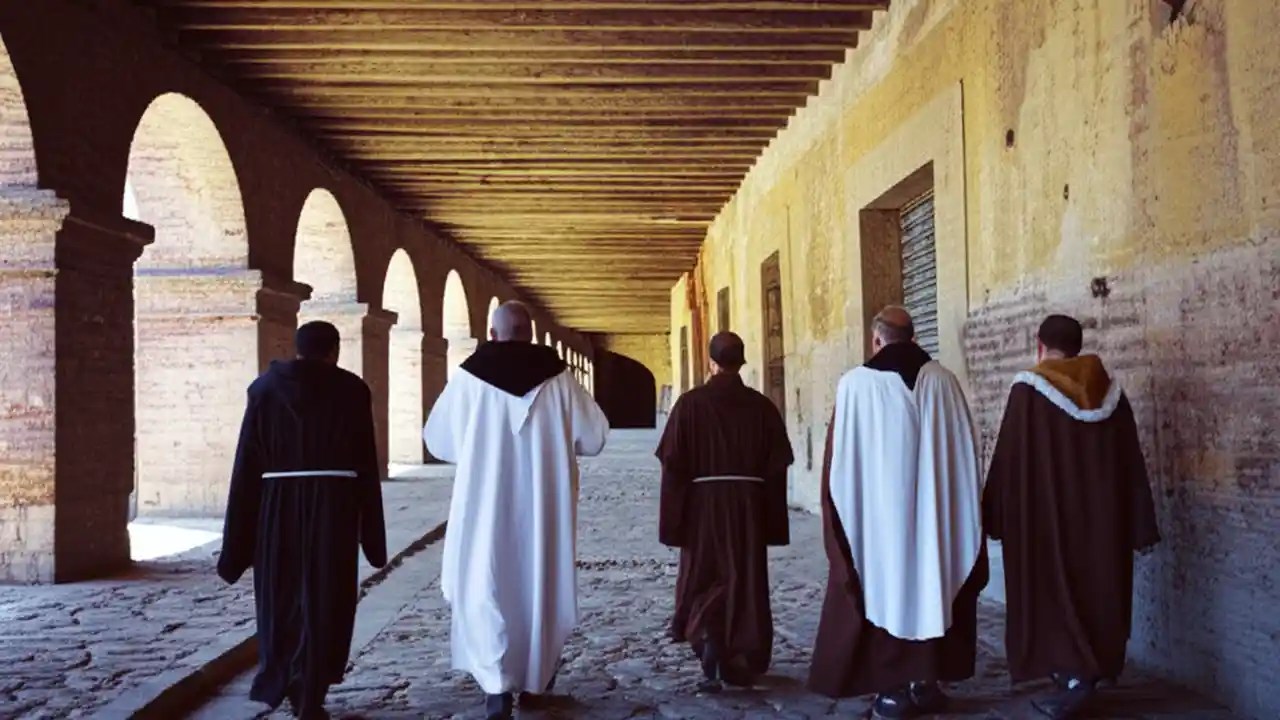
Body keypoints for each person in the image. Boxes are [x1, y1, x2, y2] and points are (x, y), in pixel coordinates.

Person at [424, 301, 609, 720]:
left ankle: (496, 686)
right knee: (537, 582)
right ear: (529, 333)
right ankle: (534, 680)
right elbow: (595, 438)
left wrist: (478, 447)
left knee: (485, 581)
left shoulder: (470, 377)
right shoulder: (560, 377)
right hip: (543, 505)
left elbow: (438, 441)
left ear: (493, 334)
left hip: (485, 502)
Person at [809, 306, 988, 720]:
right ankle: (925, 682)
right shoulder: (944, 381)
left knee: (883, 585)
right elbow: (964, 455)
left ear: (877, 339)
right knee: (930, 584)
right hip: (934, 516)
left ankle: (891, 689)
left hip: (876, 521)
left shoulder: (855, 385)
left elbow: (838, 462)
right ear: (914, 336)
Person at [983, 314, 1160, 720]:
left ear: (1039, 345)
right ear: (1077, 346)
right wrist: (1136, 521)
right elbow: (1131, 464)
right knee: (1098, 590)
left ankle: (1075, 677)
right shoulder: (1112, 395)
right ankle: (1088, 673)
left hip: (1049, 526)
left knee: (1056, 594)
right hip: (1104, 526)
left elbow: (1009, 459)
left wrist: (994, 514)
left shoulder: (1028, 392)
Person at [217, 321, 387, 720]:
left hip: (278, 507)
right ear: (334, 351)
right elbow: (366, 461)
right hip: (335, 506)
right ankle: (314, 688)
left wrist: (236, 543)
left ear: (296, 348)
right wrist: (372, 535)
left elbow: (246, 466)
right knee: (328, 596)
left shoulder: (262, 391)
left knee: (283, 596)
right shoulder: (352, 390)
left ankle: (288, 679)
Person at [655, 331, 794, 692]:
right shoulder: (762, 406)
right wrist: (771, 519)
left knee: (703, 575)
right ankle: (741, 654)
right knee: (743, 577)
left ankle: (710, 641)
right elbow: (778, 465)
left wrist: (674, 519)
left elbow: (672, 463)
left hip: (703, 504)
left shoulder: (688, 404)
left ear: (711, 363)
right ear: (741, 362)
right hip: (747, 505)